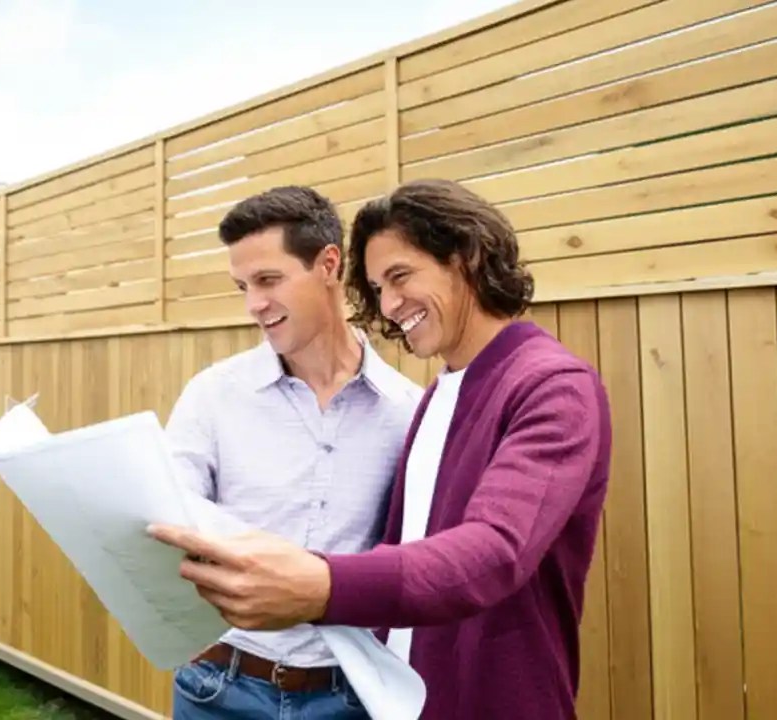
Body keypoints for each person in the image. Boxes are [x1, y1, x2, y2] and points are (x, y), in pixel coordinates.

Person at [150, 178, 613, 720]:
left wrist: (321, 585)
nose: (389, 305)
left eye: (400, 277)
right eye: (377, 287)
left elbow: (495, 550)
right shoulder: (444, 393)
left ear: (465, 256)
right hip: (399, 699)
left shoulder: (552, 385)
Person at [160, 186, 423, 718]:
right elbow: (162, 524)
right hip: (217, 687)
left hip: (348, 697)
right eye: (242, 286)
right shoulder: (212, 395)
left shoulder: (407, 411)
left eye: (268, 280)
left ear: (328, 264)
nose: (254, 304)